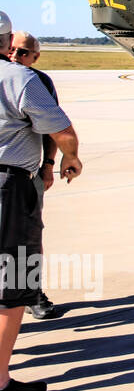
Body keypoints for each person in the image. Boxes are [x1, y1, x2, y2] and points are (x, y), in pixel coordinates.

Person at [0, 10, 82, 391]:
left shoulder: (33, 78)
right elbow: (61, 130)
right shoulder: (21, 80)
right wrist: (72, 158)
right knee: (13, 283)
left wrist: (48, 164)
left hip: (19, 179)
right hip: (8, 188)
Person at [7, 31, 62, 319]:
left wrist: (49, 165)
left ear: (35, 57)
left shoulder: (38, 82)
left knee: (27, 237)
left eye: (23, 53)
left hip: (25, 175)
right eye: (12, 50)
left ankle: (32, 293)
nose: (16, 56)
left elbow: (53, 127)